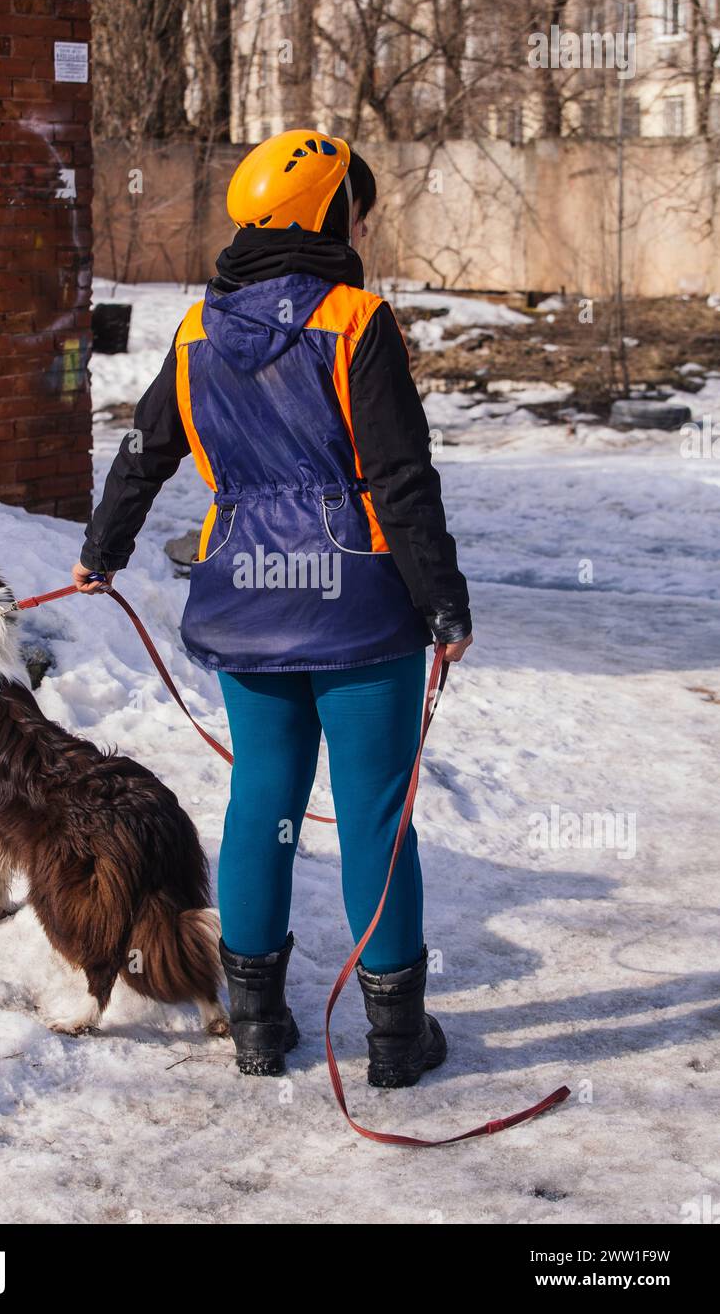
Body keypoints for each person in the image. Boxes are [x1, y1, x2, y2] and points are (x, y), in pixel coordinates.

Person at [73, 129, 472, 1087]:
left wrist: (102, 551)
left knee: (264, 801)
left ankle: (255, 1028)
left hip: (247, 599)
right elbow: (401, 476)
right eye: (356, 208)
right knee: (376, 816)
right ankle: (393, 1041)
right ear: (327, 215)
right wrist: (444, 604)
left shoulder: (199, 329)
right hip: (361, 609)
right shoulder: (356, 319)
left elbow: (144, 449)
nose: (364, 224)